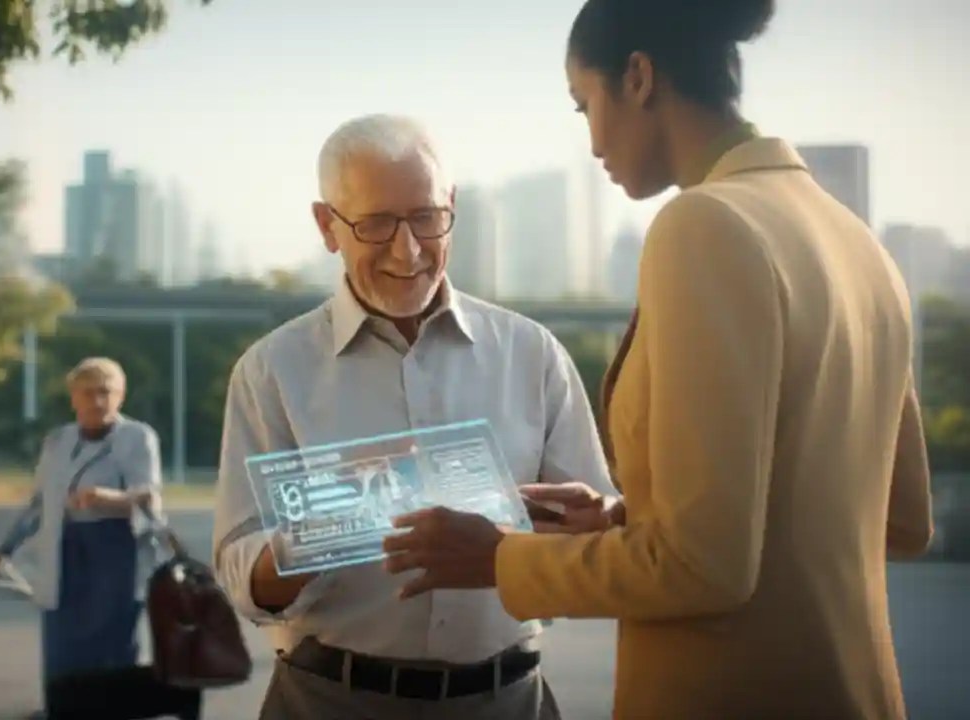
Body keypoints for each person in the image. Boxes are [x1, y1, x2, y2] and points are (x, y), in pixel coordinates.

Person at [382, 1, 936, 718]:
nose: (591, 142)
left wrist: (496, 559)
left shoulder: (706, 226)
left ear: (638, 77)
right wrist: (622, 519)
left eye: (584, 105)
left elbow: (702, 567)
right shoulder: (856, 240)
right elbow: (902, 520)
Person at [211, 113, 613, 720]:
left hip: (509, 700)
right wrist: (317, 533)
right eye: (376, 223)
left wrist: (565, 534)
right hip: (330, 701)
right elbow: (242, 577)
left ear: (451, 205)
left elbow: (598, 550)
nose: (408, 249)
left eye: (426, 217)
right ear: (327, 225)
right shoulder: (271, 371)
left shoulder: (532, 355)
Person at [0, 357, 201, 720]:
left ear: (121, 396)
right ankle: (62, 710)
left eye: (106, 392)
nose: (98, 401)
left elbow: (147, 496)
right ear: (74, 398)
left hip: (115, 550)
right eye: (88, 392)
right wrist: (5, 550)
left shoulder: (137, 437)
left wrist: (106, 498)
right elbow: (39, 503)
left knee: (112, 643)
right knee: (63, 641)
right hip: (64, 550)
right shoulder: (58, 441)